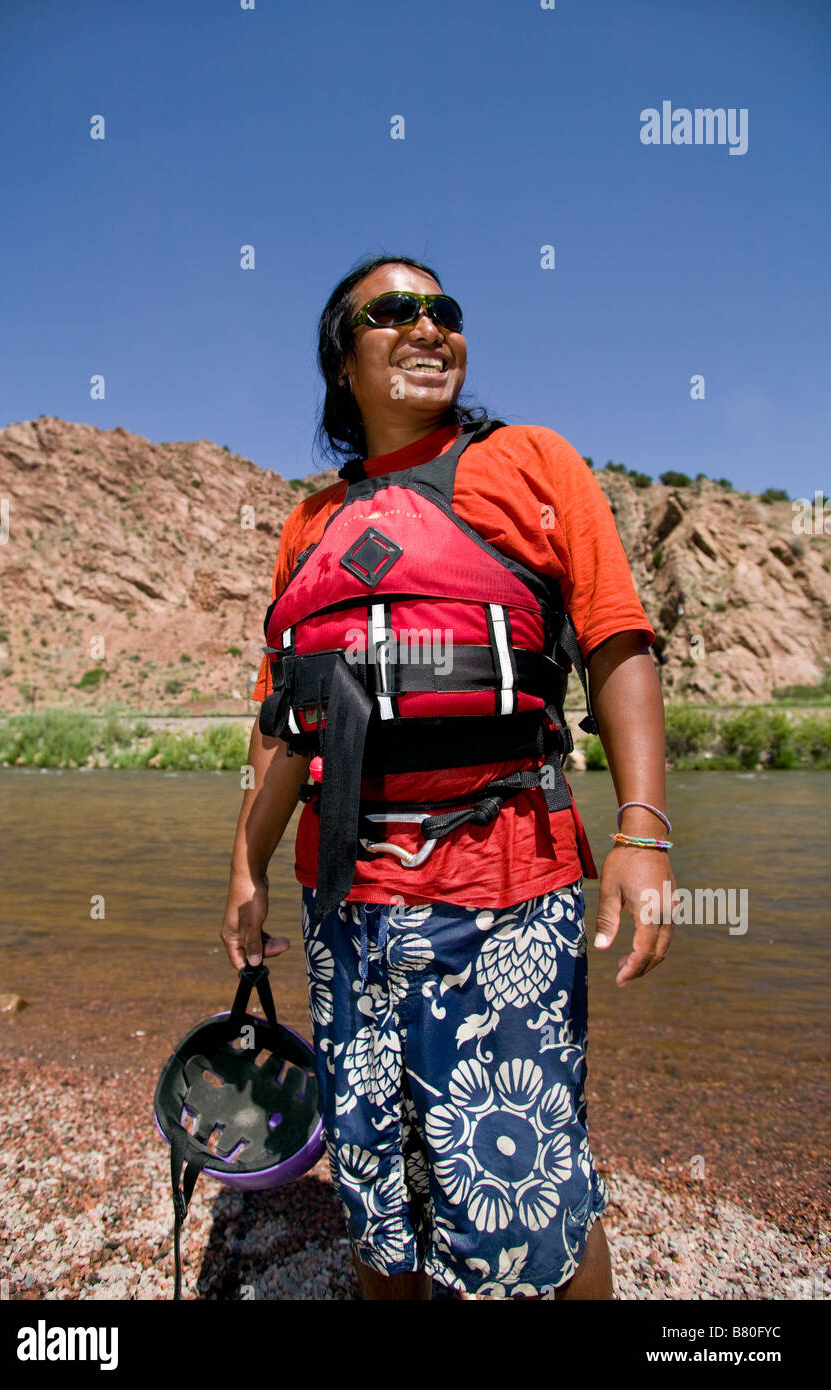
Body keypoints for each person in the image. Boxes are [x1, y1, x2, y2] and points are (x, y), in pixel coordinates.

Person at [221, 254, 675, 1301]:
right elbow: (282, 722)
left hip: (507, 886)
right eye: (396, 312)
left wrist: (643, 833)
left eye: (444, 311)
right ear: (345, 359)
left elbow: (617, 642)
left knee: (530, 1184)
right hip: (345, 902)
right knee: (379, 1185)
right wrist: (240, 873)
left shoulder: (532, 462)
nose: (430, 328)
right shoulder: (307, 524)